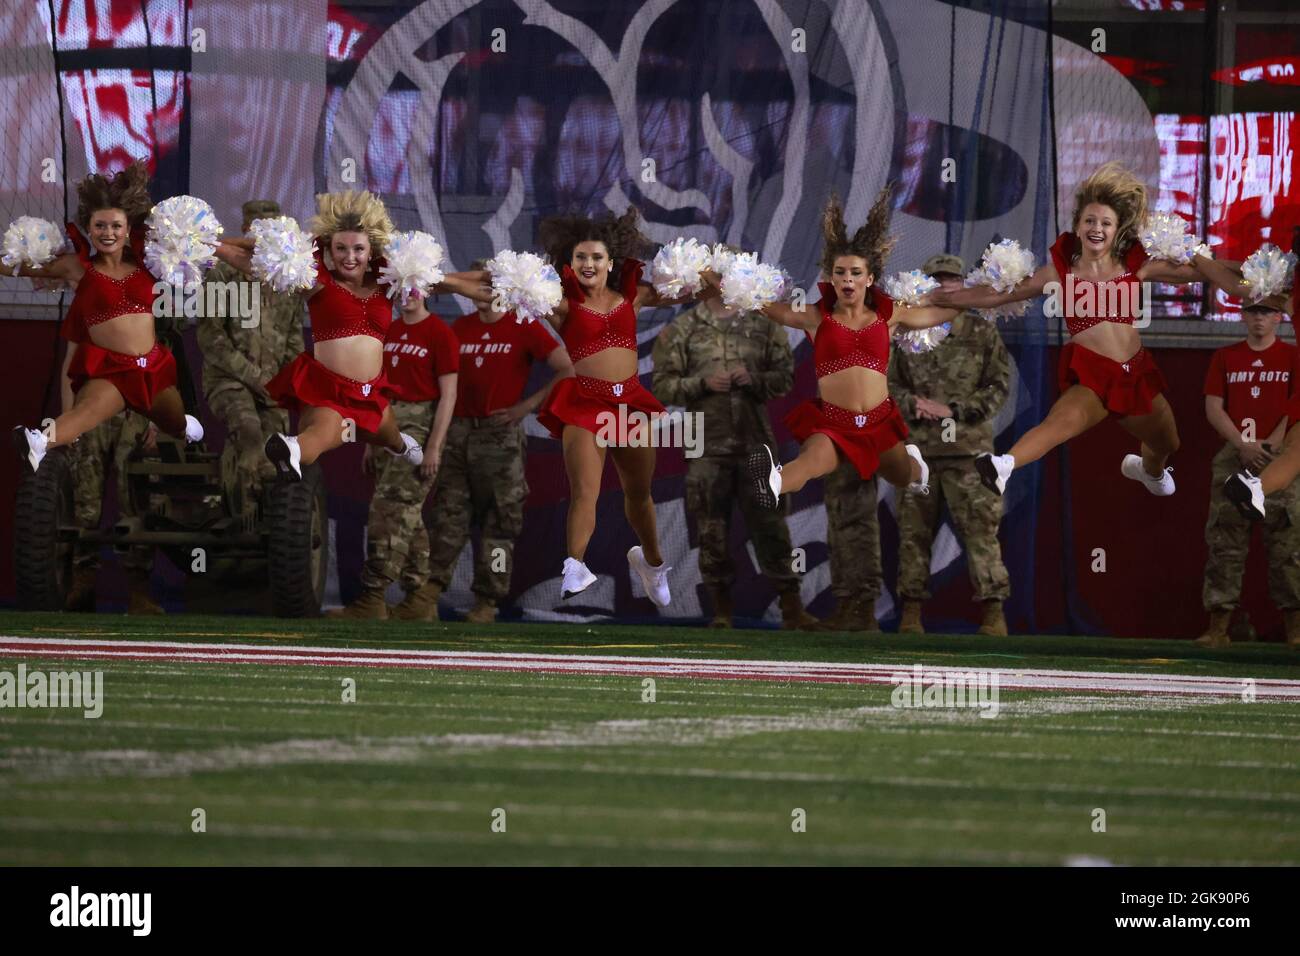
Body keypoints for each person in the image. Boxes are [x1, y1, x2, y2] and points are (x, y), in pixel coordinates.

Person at [929, 163, 1205, 498]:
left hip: (1135, 373)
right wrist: (947, 297)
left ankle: (1148, 469)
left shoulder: (1136, 265)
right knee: (1059, 424)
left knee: (1168, 440)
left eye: (1105, 222)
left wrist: (1246, 273)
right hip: (1092, 372)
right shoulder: (1059, 272)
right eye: (1089, 220)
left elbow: (1196, 271)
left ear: (1117, 229)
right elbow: (998, 293)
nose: (1096, 228)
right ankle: (1004, 464)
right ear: (1077, 225)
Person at [211, 190, 490, 479]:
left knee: (389, 433)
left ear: (372, 250)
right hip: (329, 391)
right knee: (323, 433)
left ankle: (400, 445)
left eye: (358, 249)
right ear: (330, 250)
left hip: (370, 393)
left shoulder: (388, 283)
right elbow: (250, 259)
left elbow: (447, 282)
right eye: (341, 249)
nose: (350, 257)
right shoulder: (317, 282)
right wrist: (207, 243)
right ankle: (290, 450)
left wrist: (489, 281)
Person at [747, 189, 959, 516]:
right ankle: (771, 482)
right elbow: (762, 304)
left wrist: (986, 295)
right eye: (840, 273)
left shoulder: (891, 315)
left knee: (903, 475)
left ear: (869, 278)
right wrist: (712, 277)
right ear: (830, 279)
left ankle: (918, 468)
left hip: (879, 422)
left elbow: (942, 312)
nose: (848, 279)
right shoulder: (815, 317)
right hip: (834, 423)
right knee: (811, 462)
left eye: (855, 273)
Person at [534, 208, 694, 606]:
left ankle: (652, 563)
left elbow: (697, 289)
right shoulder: (561, 304)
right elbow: (490, 287)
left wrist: (730, 279)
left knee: (638, 494)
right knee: (584, 492)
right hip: (585, 403)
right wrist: (431, 282)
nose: (589, 264)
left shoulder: (632, 296)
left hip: (629, 405)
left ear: (610, 262)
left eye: (596, 257)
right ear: (569, 265)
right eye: (581, 258)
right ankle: (574, 564)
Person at [10, 161, 204, 473]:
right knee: (84, 412)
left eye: (115, 226)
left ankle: (185, 427)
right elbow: (17, 267)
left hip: (153, 368)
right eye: (100, 226)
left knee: (176, 421)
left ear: (128, 228)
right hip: (112, 372)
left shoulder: (148, 260)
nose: (108, 233)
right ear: (89, 228)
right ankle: (38, 442)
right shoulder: (77, 267)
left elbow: (205, 247)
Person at [652, 275, 816, 629]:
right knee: (711, 529)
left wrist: (755, 378)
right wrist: (701, 384)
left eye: (732, 275)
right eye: (718, 275)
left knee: (772, 528)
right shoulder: (682, 328)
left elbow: (786, 378)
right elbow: (661, 385)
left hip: (755, 444)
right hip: (705, 446)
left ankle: (792, 609)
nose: (725, 282)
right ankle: (721, 612)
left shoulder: (765, 325)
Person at [425, 276, 574, 623]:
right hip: (459, 434)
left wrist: (526, 407)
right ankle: (427, 594)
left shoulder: (523, 326)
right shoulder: (459, 328)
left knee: (500, 526)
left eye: (493, 289)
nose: (485, 296)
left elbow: (567, 367)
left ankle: (487, 602)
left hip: (500, 438)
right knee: (448, 519)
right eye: (480, 289)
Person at [890, 253, 1012, 636]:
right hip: (919, 453)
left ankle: (993, 615)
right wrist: (913, 405)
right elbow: (888, 384)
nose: (945, 286)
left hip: (968, 453)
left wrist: (954, 410)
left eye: (952, 280)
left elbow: (998, 386)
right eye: (937, 279)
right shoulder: (906, 332)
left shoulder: (982, 332)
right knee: (913, 536)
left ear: (963, 285)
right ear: (923, 287)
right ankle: (911, 615)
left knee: (980, 533)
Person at [329, 284, 460, 620]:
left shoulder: (440, 333)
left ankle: (373, 597)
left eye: (415, 288)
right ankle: (419, 601)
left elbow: (448, 396)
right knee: (408, 515)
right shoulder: (389, 330)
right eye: (402, 289)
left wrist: (434, 447)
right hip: (387, 426)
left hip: (421, 427)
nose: (409, 295)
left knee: (389, 508)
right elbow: (379, 389)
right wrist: (373, 441)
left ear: (426, 291)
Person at [1196, 296, 1300, 646]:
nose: (1260, 318)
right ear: (1242, 316)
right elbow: (1213, 406)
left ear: (1278, 318)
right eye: (1253, 311)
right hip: (1234, 456)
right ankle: (1219, 627)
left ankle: (1295, 630)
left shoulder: (1293, 357)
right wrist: (1242, 443)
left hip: (1281, 453)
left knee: (1288, 544)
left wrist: (1271, 443)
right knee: (1225, 541)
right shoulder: (1225, 357)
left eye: (1268, 312)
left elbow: (1295, 406)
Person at [200, 199, 305, 524]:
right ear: (245, 231)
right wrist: (256, 379)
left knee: (279, 449)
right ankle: (243, 521)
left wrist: (283, 386)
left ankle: (273, 528)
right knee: (248, 431)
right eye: (257, 229)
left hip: (273, 388)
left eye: (272, 229)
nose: (264, 237)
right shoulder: (221, 273)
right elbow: (211, 339)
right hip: (228, 381)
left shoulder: (288, 278)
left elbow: (294, 340)